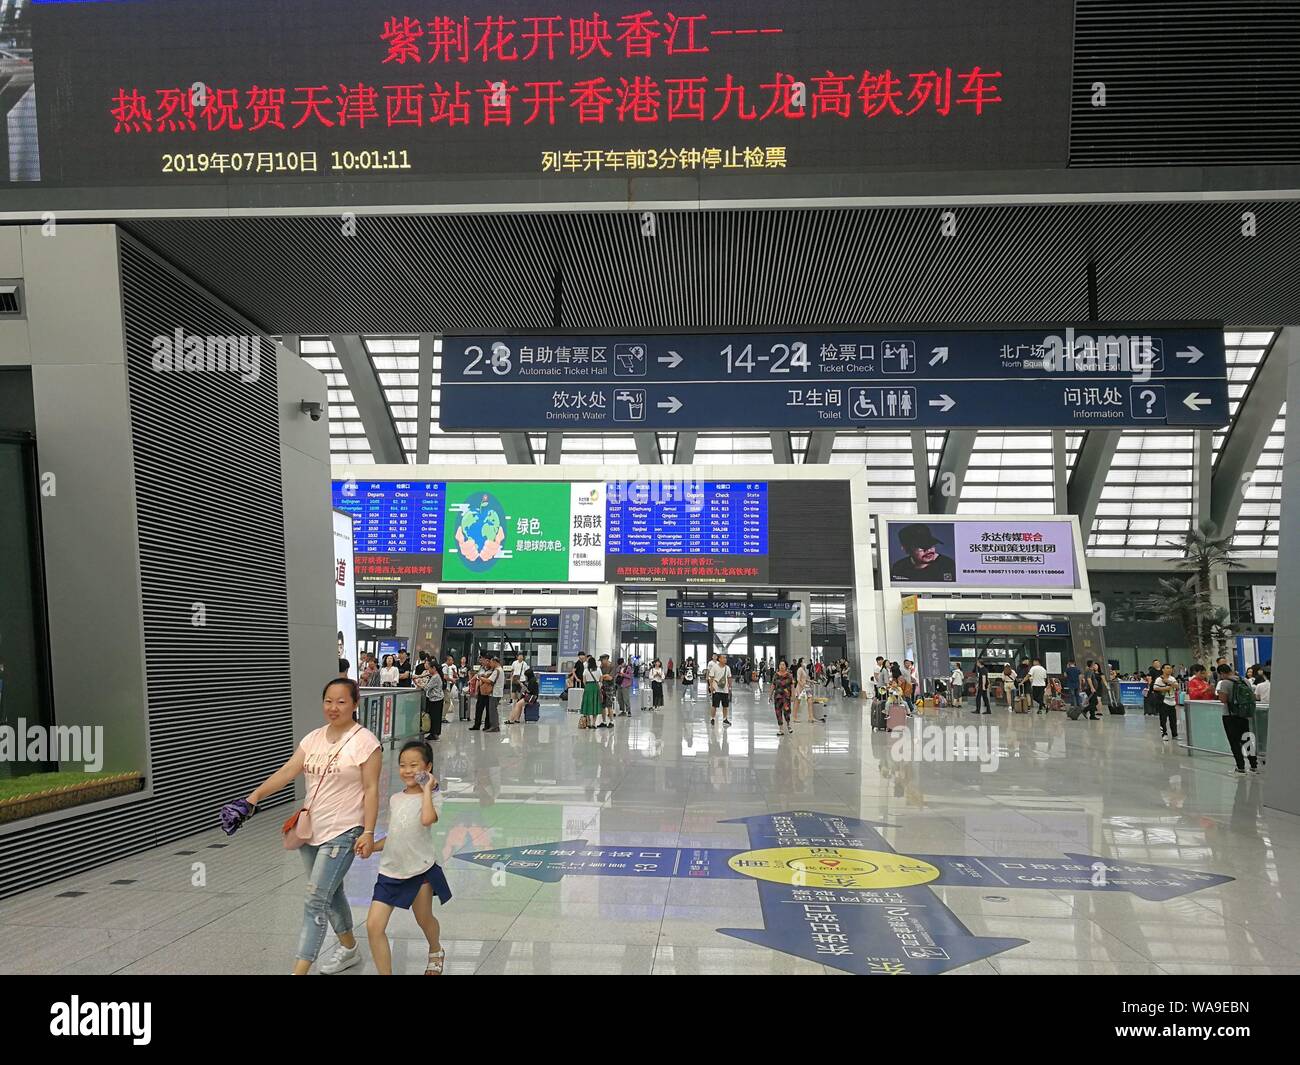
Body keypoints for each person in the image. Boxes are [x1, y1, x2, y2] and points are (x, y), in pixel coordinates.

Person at [220, 677, 382, 975]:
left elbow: (371, 789)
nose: (333, 707)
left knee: (314, 900)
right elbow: (288, 771)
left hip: (344, 831)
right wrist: (251, 799)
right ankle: (349, 949)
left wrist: (369, 832)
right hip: (310, 829)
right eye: (328, 701)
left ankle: (299, 971)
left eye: (341, 701)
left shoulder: (365, 743)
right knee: (330, 894)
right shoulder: (313, 738)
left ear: (355, 704)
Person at [365, 740, 452, 975]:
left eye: (414, 765)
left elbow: (426, 819)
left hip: (419, 870)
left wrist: (427, 789)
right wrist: (372, 846)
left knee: (423, 918)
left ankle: (436, 950)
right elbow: (395, 835)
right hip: (390, 870)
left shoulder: (434, 798)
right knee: (374, 926)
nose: (407, 770)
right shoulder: (395, 798)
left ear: (428, 767)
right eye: (403, 765)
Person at [1216, 663, 1259, 775]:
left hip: (1230, 716)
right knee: (1247, 739)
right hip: (1244, 714)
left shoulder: (1225, 683)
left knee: (1234, 742)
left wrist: (1220, 693)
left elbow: (1223, 700)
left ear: (1221, 673)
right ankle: (1254, 765)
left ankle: (1240, 767)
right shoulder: (1245, 680)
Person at [890, 523, 957, 583]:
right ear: (906, 549)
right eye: (922, 546)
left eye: (931, 544)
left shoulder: (948, 566)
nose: (928, 550)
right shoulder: (898, 568)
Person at [470, 652, 501, 732]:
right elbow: (477, 676)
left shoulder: (493, 669)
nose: (482, 662)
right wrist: (474, 685)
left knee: (488, 709)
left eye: (483, 660)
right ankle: (477, 724)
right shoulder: (482, 667)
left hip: (489, 691)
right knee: (479, 708)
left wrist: (482, 677)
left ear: (488, 660)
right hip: (481, 690)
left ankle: (487, 725)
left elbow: (489, 680)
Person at [1153, 663, 1180, 741]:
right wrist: (1165, 688)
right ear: (1163, 670)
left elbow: (1177, 686)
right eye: (1167, 668)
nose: (1169, 670)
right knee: (1163, 719)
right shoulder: (1159, 679)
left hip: (1172, 702)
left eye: (1170, 668)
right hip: (1163, 702)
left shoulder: (1172, 678)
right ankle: (1164, 734)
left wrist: (1168, 682)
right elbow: (1155, 688)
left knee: (1173, 720)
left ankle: (1175, 735)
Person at [707, 652, 733, 727]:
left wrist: (730, 687)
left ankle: (725, 719)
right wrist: (711, 686)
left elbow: (729, 678)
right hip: (716, 689)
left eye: (725, 658)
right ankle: (712, 718)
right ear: (719, 659)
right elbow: (711, 677)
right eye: (723, 658)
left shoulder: (727, 668)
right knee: (714, 705)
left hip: (725, 690)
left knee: (725, 705)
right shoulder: (715, 667)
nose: (725, 659)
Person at [423, 660, 445, 741]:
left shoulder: (435, 677)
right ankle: (433, 733)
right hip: (436, 699)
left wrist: (418, 684)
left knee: (435, 717)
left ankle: (435, 733)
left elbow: (426, 687)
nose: (428, 670)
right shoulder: (436, 676)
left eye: (429, 668)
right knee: (434, 717)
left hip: (436, 699)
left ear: (434, 668)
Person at [578, 653, 601, 730]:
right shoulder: (598, 669)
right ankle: (594, 723)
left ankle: (589, 723)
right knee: (595, 704)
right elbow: (601, 679)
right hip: (596, 687)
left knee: (587, 704)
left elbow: (583, 681)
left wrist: (587, 685)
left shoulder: (586, 670)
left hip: (588, 687)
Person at [772, 659, 794, 735]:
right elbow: (773, 685)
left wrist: (793, 696)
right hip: (777, 696)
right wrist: (770, 695)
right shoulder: (775, 675)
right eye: (780, 665)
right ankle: (781, 729)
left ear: (786, 666)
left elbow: (792, 685)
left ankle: (788, 725)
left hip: (786, 697)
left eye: (783, 665)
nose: (782, 666)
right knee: (778, 712)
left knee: (786, 711)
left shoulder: (789, 675)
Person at [598, 654, 617, 728]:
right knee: (602, 705)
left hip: (610, 688)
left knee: (609, 705)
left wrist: (603, 676)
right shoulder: (601, 667)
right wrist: (605, 676)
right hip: (603, 687)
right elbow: (600, 677)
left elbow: (610, 678)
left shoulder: (612, 666)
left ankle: (611, 721)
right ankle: (604, 721)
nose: (601, 662)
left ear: (606, 659)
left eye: (602, 660)